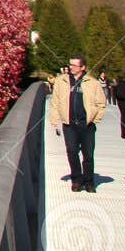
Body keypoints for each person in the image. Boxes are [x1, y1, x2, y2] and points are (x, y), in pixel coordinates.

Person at [49, 57, 107, 192]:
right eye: (70, 65)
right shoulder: (61, 81)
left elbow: (101, 103)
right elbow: (55, 102)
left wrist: (95, 119)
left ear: (83, 68)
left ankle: (89, 182)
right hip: (69, 124)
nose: (71, 67)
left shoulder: (92, 83)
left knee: (88, 155)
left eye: (75, 65)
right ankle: (76, 180)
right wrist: (55, 120)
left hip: (87, 125)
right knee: (72, 152)